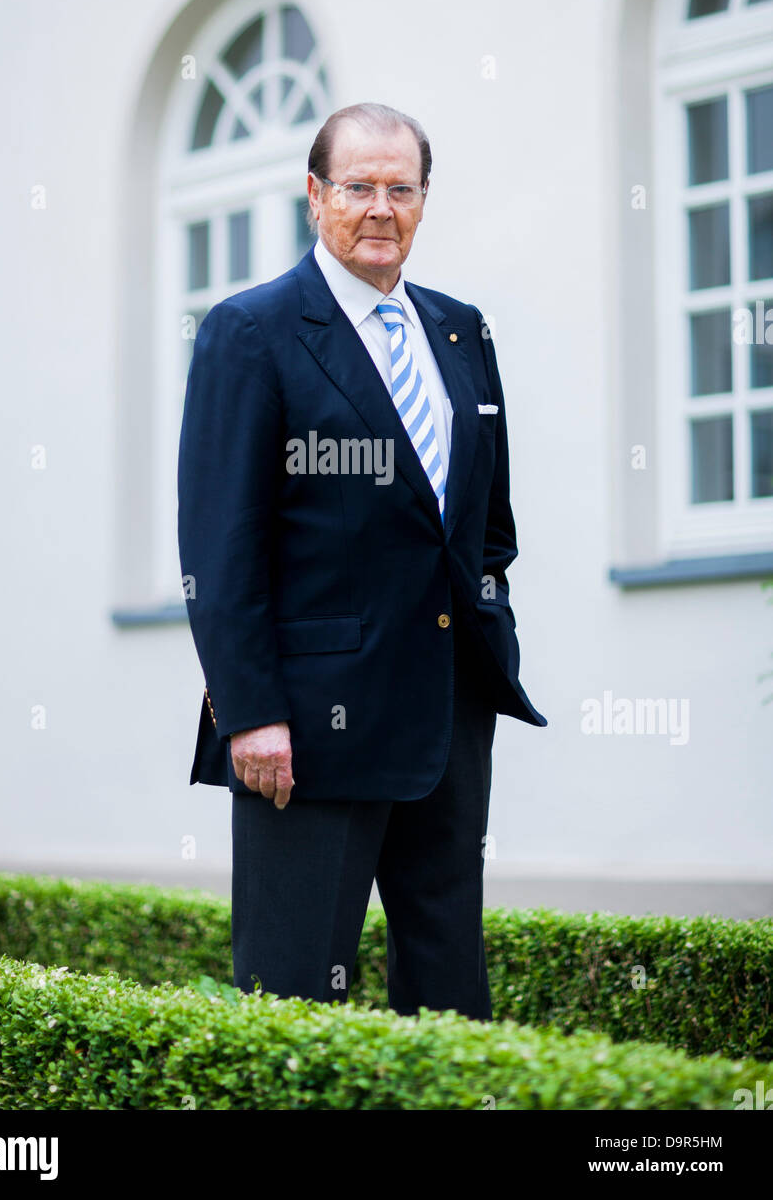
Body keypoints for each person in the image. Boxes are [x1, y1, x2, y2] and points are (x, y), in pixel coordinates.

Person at [177, 101, 546, 1020]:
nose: (380, 208)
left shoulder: (462, 331)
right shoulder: (251, 332)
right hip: (304, 735)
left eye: (401, 188)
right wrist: (250, 713)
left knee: (451, 995)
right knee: (293, 997)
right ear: (315, 195)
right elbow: (221, 545)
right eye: (357, 187)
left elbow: (484, 524)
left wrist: (488, 628)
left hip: (449, 718)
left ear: (424, 200)